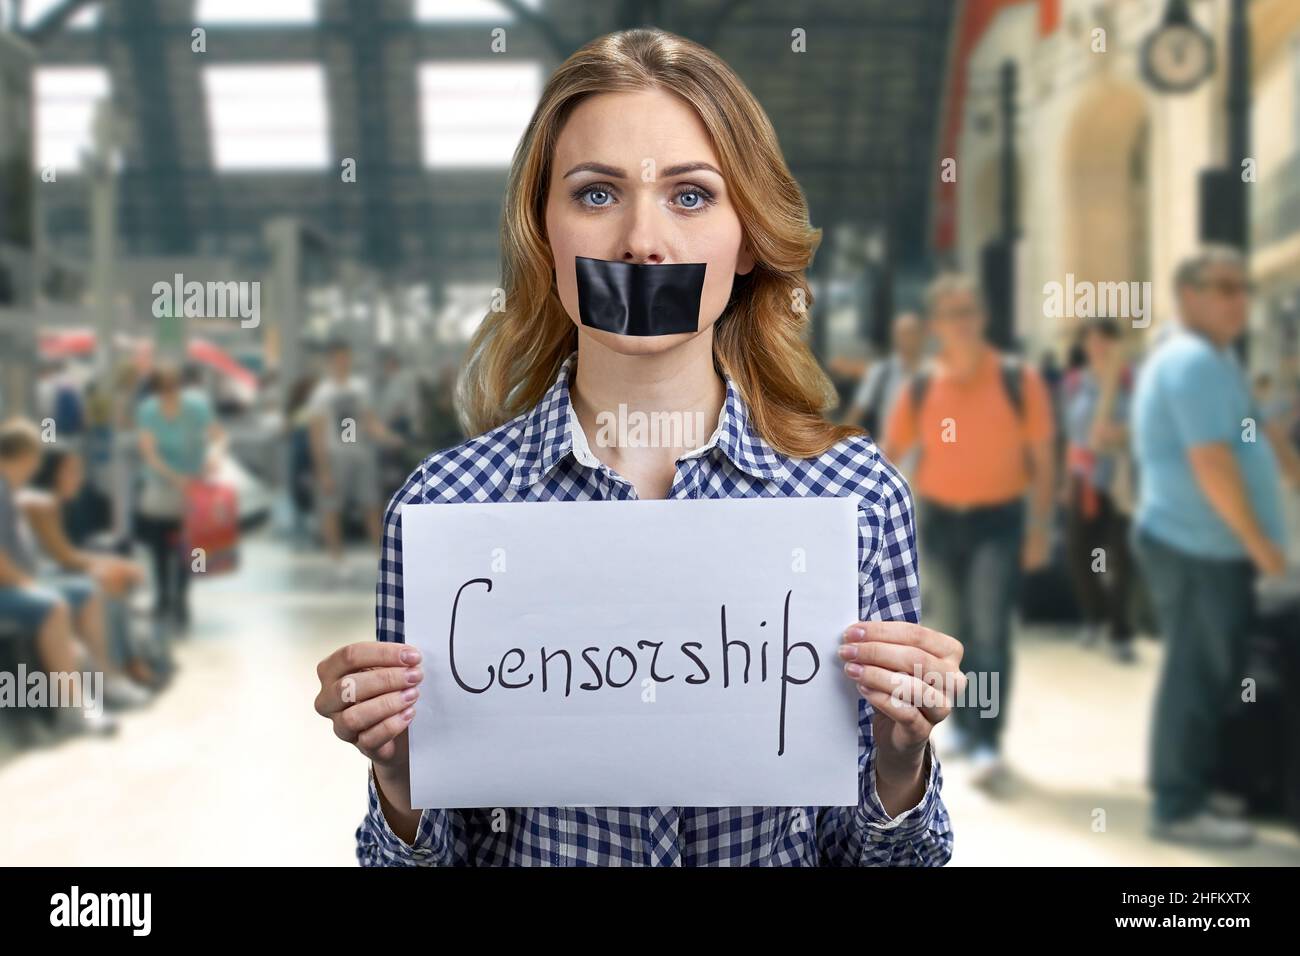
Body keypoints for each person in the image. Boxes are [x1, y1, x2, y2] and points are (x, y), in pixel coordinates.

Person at [314, 28, 965, 867]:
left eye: (691, 196)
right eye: (595, 195)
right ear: (542, 236)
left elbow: (890, 861)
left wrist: (902, 761)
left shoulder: (855, 499)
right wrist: (401, 781)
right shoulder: (446, 512)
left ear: (748, 237)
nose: (642, 243)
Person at [1131, 246, 1300, 847]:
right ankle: (1179, 805)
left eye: (1242, 288)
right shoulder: (1193, 362)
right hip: (1196, 545)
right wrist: (1264, 547)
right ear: (1190, 296)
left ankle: (1197, 783)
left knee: (1215, 668)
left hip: (1205, 547)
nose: (1239, 299)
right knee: (1197, 672)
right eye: (1224, 288)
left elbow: (1251, 434)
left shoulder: (1216, 360)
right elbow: (1212, 462)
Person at [882, 273, 1055, 791]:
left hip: (997, 521)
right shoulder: (919, 387)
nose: (963, 322)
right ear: (937, 325)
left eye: (970, 311)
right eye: (952, 313)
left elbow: (1044, 459)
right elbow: (888, 459)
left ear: (983, 318)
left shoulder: (1017, 380)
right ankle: (959, 725)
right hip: (939, 521)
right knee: (951, 633)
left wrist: (1040, 527)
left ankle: (987, 740)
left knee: (990, 631)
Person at [0, 419, 137, 733]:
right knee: (54, 605)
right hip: (10, 584)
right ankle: (72, 707)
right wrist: (28, 583)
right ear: (26, 455)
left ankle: (105, 679)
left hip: (21, 580)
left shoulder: (10, 490)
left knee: (87, 591)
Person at [24, 447, 167, 688]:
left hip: (50, 570)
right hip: (37, 574)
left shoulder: (59, 504)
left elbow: (69, 555)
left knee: (115, 576)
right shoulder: (43, 505)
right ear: (53, 474)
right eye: (71, 471)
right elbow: (65, 557)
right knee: (108, 579)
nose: (79, 478)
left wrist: (115, 564)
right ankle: (119, 668)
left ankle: (128, 662)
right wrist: (115, 564)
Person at [1061, 317, 1135, 663]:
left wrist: (1121, 435)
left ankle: (1121, 632)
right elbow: (1070, 434)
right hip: (1083, 478)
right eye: (1092, 341)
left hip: (1122, 480)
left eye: (1104, 340)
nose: (1098, 347)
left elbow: (1147, 426)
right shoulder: (1075, 383)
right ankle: (1095, 616)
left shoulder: (1131, 382)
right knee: (1081, 555)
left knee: (1120, 558)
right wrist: (1066, 479)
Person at [135, 361, 224, 629]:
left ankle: (182, 598)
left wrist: (213, 456)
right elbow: (149, 452)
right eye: (163, 388)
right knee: (160, 545)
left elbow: (218, 436)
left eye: (172, 387)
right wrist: (176, 478)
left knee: (188, 546)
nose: (168, 393)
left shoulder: (196, 407)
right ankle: (163, 596)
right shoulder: (149, 410)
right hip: (162, 485)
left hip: (193, 484)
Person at [305, 341, 400, 581]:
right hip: (336, 458)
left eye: (346, 357)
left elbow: (368, 421)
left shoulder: (360, 388)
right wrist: (323, 471)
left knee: (372, 506)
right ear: (330, 361)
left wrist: (387, 436)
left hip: (362, 456)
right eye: (338, 358)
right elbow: (316, 435)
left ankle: (382, 561)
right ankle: (337, 561)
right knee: (332, 509)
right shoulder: (321, 394)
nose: (343, 362)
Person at [841, 311, 925, 436]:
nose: (908, 338)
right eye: (903, 333)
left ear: (922, 335)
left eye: (912, 332)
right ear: (895, 337)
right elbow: (856, 412)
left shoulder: (937, 372)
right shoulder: (881, 372)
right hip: (889, 449)